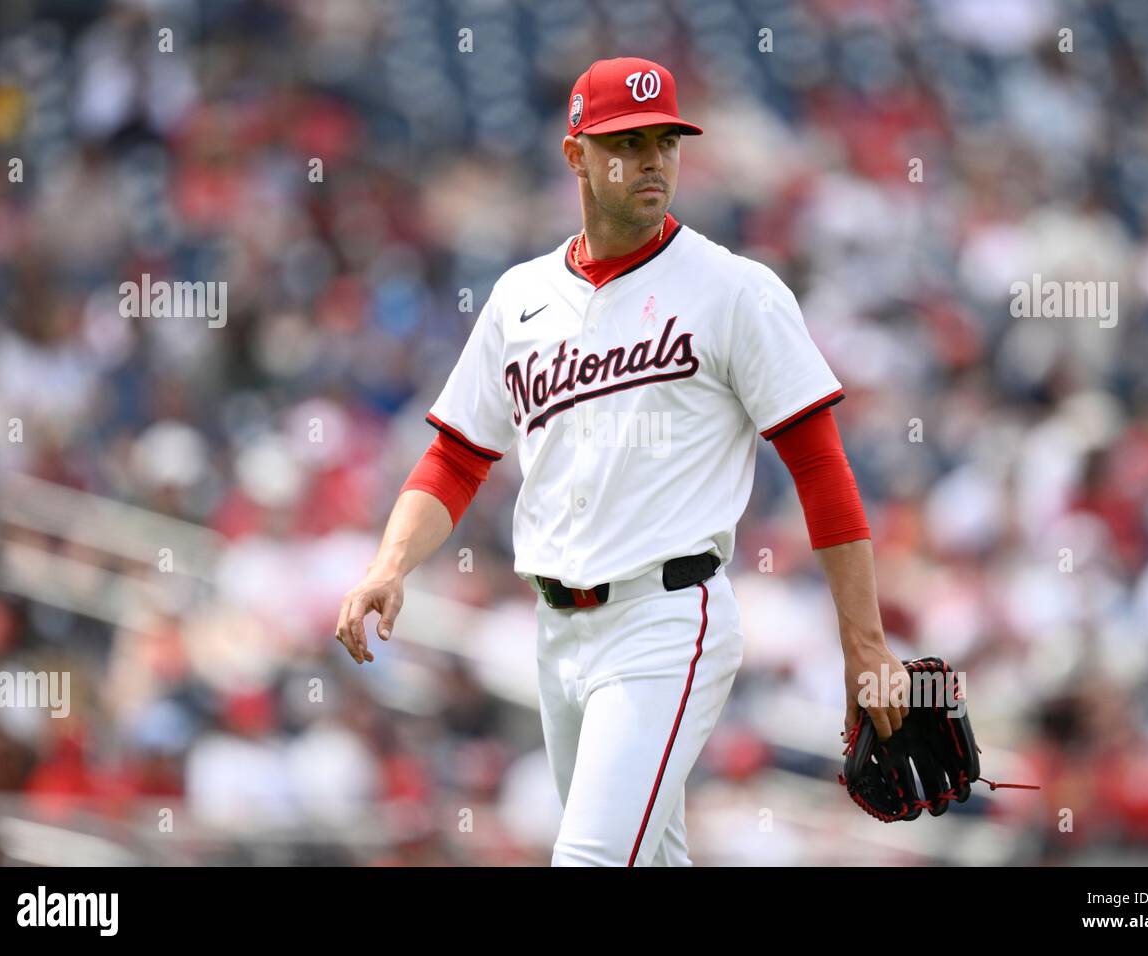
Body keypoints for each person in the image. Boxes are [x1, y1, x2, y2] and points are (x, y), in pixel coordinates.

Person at [335, 57, 909, 866]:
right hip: (556, 631)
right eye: (626, 143)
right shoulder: (520, 297)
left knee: (591, 861)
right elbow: (457, 456)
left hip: (667, 617)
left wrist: (866, 643)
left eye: (665, 142)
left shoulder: (734, 290)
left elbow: (819, 467)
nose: (651, 161)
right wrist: (389, 563)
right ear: (575, 156)